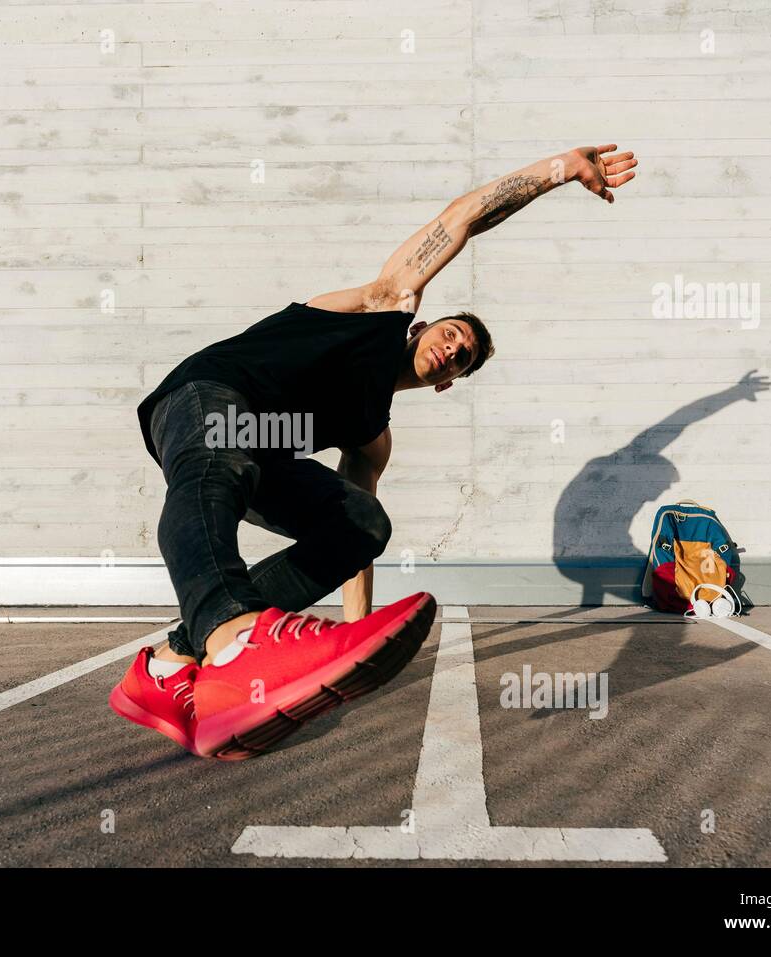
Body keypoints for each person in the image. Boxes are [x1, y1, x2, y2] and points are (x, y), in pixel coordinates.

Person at [111, 144, 639, 760]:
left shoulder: (371, 435)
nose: (452, 348)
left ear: (448, 383)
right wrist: (560, 170)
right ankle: (233, 640)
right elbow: (464, 218)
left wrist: (354, 639)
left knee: (363, 523)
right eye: (450, 334)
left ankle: (171, 665)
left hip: (258, 454)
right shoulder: (382, 308)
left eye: (462, 357)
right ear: (421, 328)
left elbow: (350, 551)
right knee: (224, 453)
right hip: (203, 398)